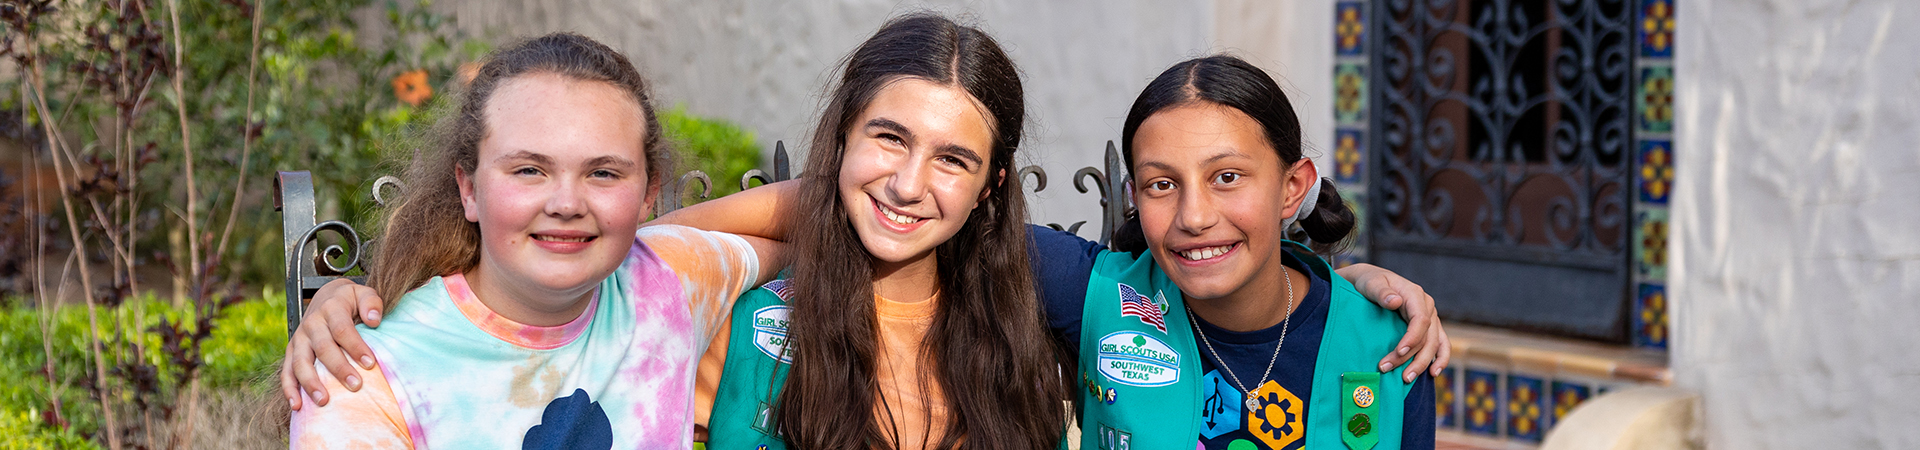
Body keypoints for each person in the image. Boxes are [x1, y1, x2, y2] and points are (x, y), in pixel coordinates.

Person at [283, 15, 1448, 450]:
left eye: (956, 159)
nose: (910, 184)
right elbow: (603, 250)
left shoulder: (1048, 291)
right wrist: (411, 289)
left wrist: (1353, 282)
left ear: (993, 188)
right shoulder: (740, 310)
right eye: (886, 143)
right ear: (839, 144)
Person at [284, 33, 785, 449]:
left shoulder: (669, 281)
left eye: (605, 173)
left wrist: (630, 234)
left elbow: (823, 216)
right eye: (529, 169)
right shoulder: (362, 377)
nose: (567, 203)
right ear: (469, 189)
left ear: (648, 194)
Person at [1032, 54, 1436, 449]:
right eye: (1162, 184)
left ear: (1292, 188)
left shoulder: (1387, 343)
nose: (1193, 217)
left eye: (1226, 177)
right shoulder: (1098, 296)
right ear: (1135, 196)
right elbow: (974, 233)